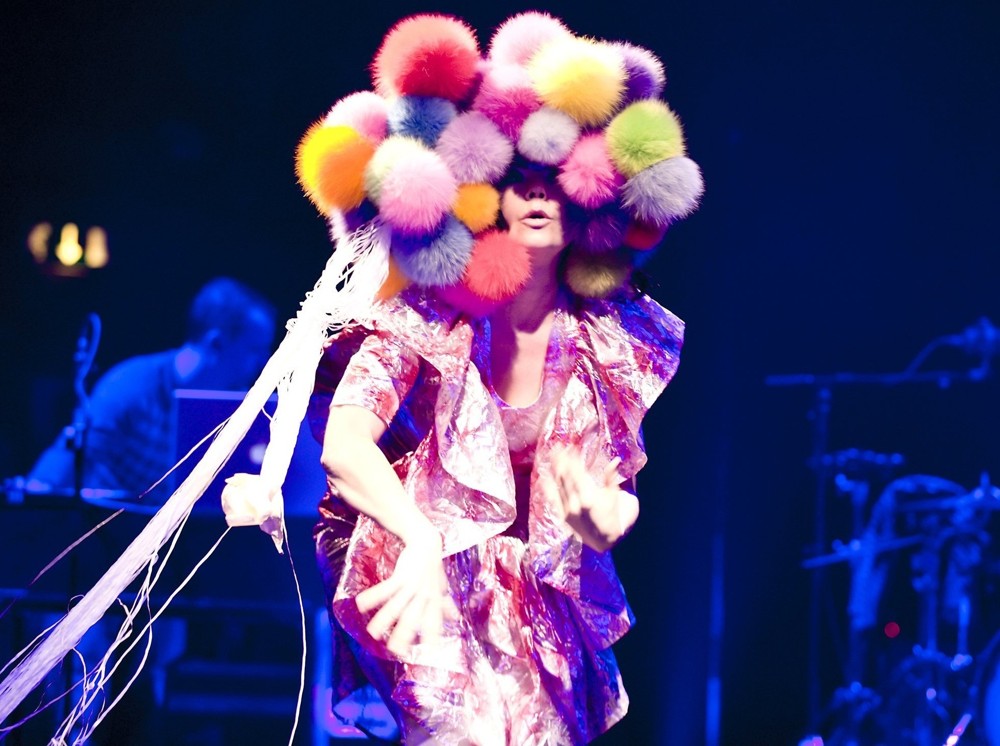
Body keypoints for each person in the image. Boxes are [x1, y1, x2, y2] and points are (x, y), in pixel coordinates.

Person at [304, 12, 702, 744]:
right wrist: (418, 539)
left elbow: (611, 502)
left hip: (537, 599)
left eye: (555, 178)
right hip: (430, 582)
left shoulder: (606, 336)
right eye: (520, 179)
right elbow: (343, 444)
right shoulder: (433, 317)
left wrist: (603, 520)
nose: (539, 194)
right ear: (481, 191)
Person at [27, 277, 277, 498]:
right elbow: (68, 460)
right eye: (254, 349)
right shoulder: (130, 386)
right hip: (111, 537)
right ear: (216, 343)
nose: (264, 360)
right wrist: (34, 496)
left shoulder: (239, 403)